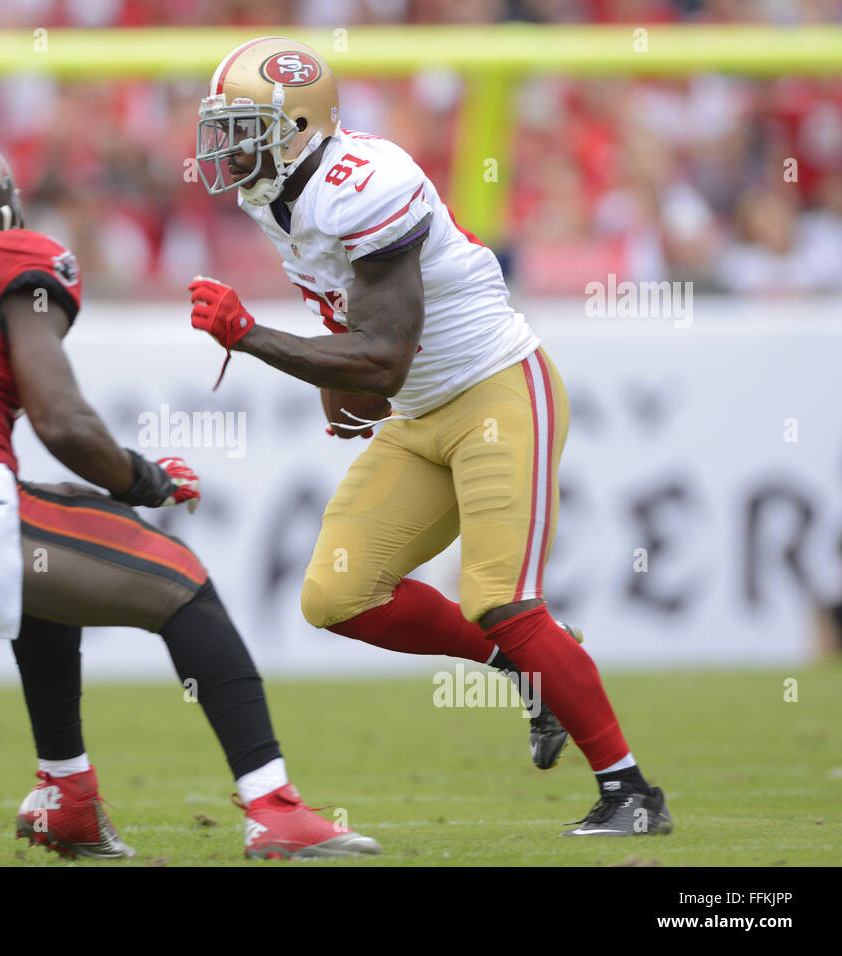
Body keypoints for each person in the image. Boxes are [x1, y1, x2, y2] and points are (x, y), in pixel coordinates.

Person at [0, 132, 380, 860]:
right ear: (2, 204)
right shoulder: (15, 259)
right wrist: (138, 479)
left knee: (46, 550)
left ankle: (66, 797)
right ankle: (274, 806)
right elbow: (61, 419)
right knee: (181, 581)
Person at [189, 37, 671, 837]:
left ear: (300, 126)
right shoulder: (274, 193)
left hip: (494, 390)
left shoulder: (366, 185)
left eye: (243, 127)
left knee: (500, 599)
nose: (227, 148)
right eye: (222, 128)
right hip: (420, 412)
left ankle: (631, 792)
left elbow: (383, 353)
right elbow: (348, 318)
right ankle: (526, 671)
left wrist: (250, 338)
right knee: (336, 594)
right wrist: (332, 378)